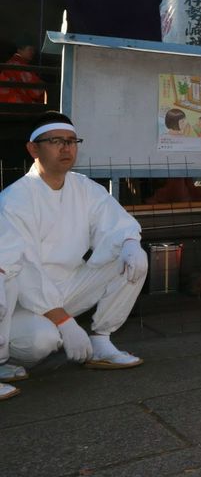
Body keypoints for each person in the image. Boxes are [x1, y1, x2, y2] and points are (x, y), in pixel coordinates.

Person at [0, 112, 147, 384]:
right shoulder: (15, 200)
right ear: (34, 148)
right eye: (55, 141)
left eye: (71, 141)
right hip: (19, 302)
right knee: (42, 340)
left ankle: (101, 340)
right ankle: (4, 360)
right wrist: (64, 322)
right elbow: (24, 270)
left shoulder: (84, 187)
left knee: (131, 258)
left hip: (67, 286)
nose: (65, 148)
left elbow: (117, 223)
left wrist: (129, 243)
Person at [0, 37, 45, 104]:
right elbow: (35, 90)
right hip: (16, 102)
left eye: (33, 50)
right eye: (30, 49)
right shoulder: (19, 65)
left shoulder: (11, 62)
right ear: (19, 50)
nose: (33, 52)